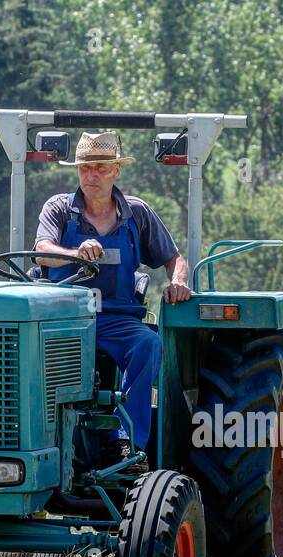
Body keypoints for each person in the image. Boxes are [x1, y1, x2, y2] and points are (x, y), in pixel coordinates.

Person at [34, 131, 191, 468]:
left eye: (101, 168)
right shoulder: (59, 209)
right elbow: (42, 252)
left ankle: (126, 445)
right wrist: (76, 254)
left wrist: (178, 282)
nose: (92, 175)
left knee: (148, 344)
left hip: (116, 320)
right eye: (85, 167)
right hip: (64, 318)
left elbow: (174, 258)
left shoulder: (137, 214)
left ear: (117, 169)